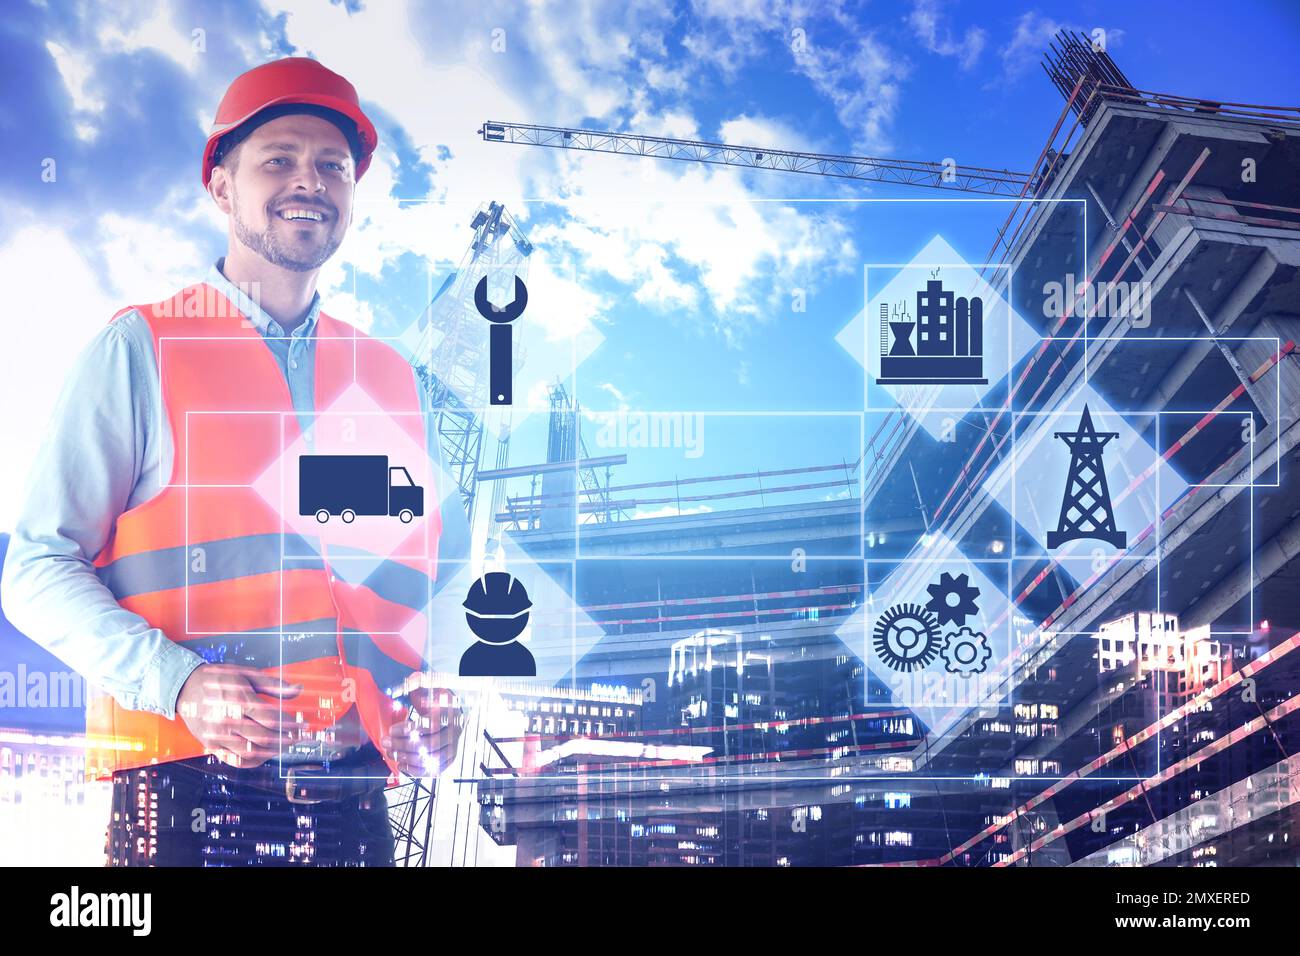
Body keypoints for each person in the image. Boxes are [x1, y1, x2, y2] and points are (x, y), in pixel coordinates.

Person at [1, 57, 463, 866]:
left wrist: (409, 708)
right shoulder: (142, 349)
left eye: (332, 167)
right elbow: (38, 564)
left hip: (350, 797)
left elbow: (389, 594)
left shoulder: (384, 377)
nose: (308, 182)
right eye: (278, 159)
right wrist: (180, 682)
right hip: (186, 790)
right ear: (220, 186)